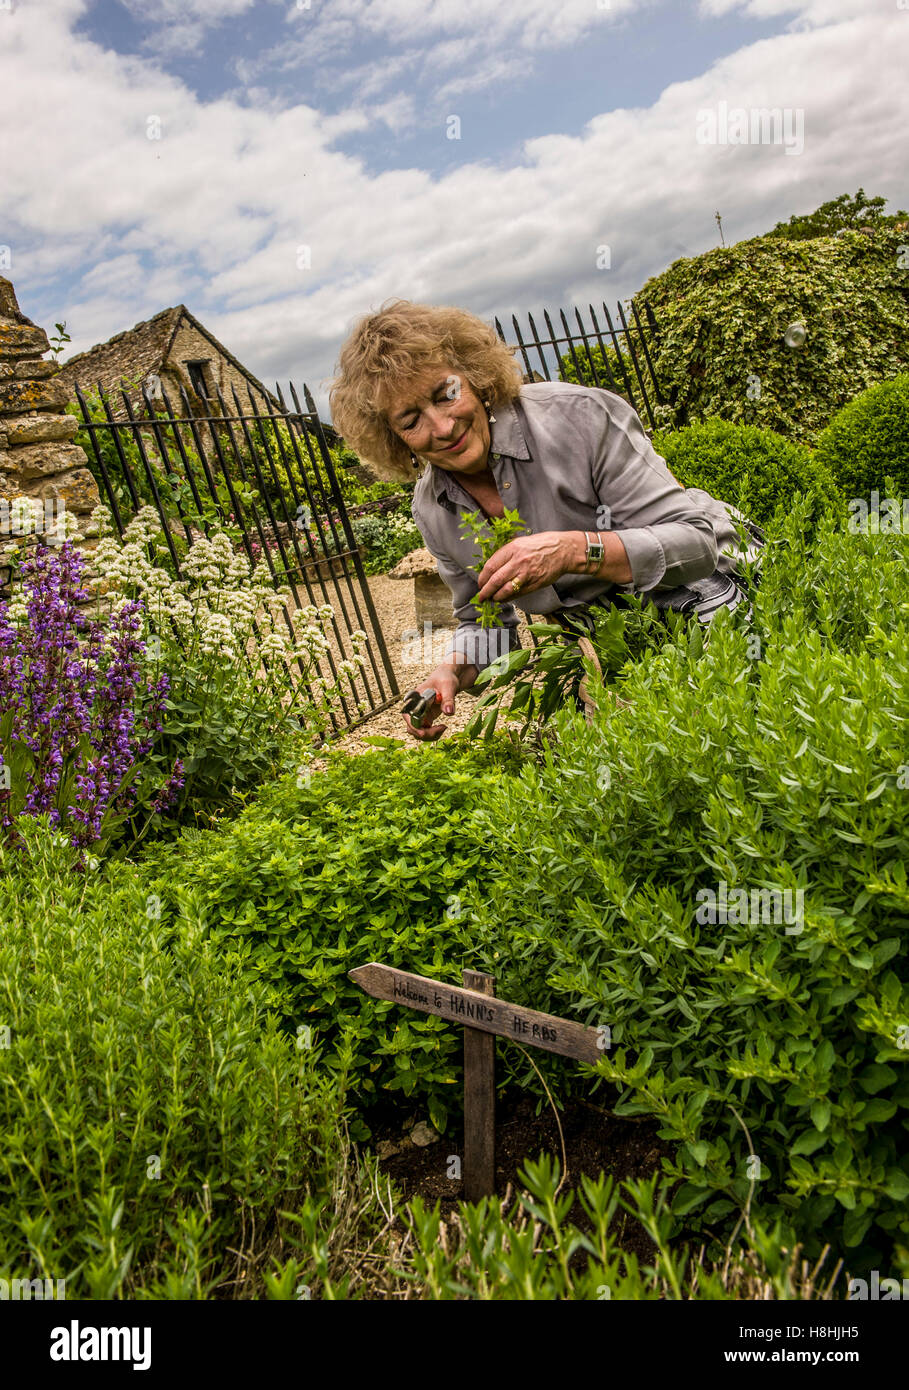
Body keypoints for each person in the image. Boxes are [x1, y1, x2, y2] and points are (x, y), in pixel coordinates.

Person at [329, 299, 761, 741]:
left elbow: (695, 544)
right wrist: (450, 672)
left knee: (740, 734)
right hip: (605, 638)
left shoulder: (580, 417)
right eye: (411, 419)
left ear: (476, 378)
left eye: (446, 394)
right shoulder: (433, 509)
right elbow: (488, 625)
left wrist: (575, 551)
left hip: (711, 586)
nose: (442, 427)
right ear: (394, 438)